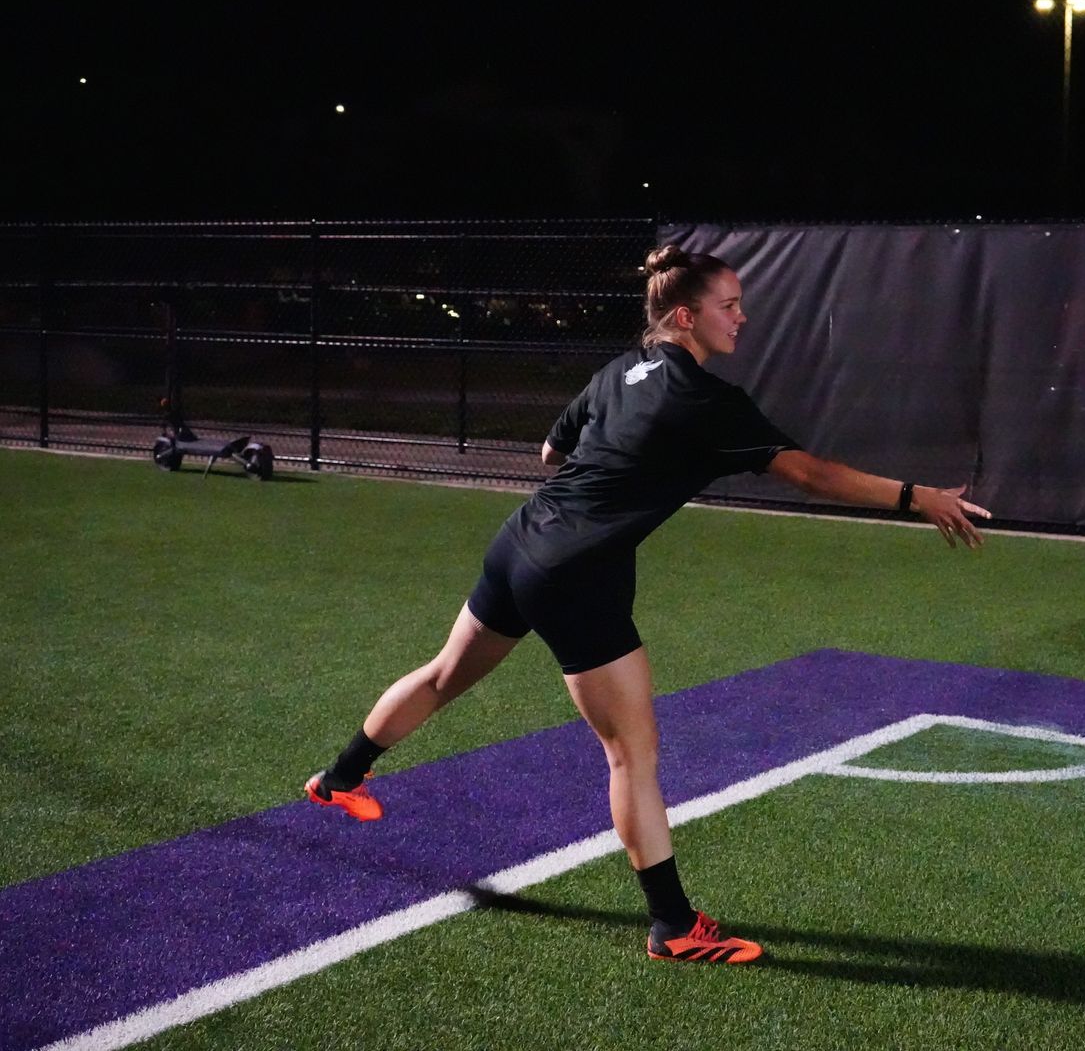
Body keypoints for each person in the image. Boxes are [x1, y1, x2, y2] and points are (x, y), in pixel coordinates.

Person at [306, 244, 990, 964]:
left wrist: (616, 476)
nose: (742, 317)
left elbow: (551, 452)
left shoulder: (614, 372)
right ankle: (673, 925)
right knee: (632, 753)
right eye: (730, 306)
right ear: (688, 316)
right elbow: (810, 473)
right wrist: (917, 497)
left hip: (521, 542)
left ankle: (339, 776)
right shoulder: (704, 399)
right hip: (577, 574)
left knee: (447, 673)